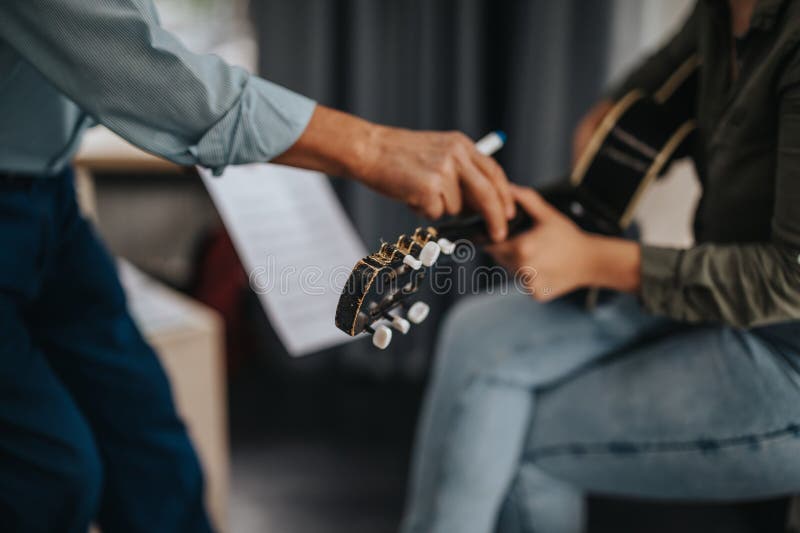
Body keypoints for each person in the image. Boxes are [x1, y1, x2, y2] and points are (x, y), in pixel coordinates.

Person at [0, 1, 516, 532]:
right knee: (49, 473)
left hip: (50, 197)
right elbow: (140, 71)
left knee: (150, 446)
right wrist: (372, 148)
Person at [401, 0, 800, 532]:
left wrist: (589, 260)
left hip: (784, 351)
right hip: (719, 292)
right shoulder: (718, 11)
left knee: (518, 439)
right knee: (474, 330)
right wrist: (599, 154)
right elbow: (627, 105)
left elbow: (789, 279)